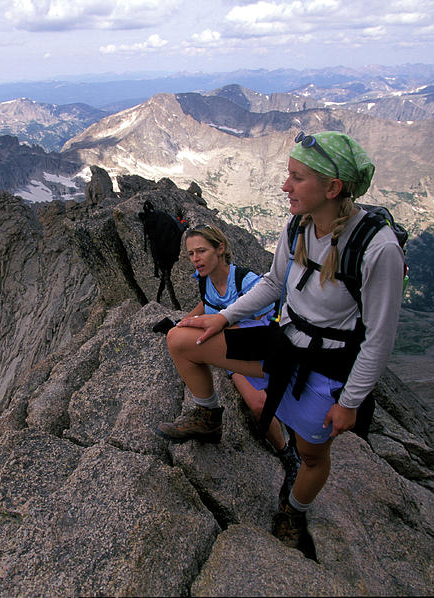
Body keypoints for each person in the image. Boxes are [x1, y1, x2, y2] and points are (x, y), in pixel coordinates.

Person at [158, 131, 404, 549]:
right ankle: (208, 416)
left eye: (296, 178)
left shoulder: (376, 249)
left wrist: (350, 402)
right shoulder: (297, 226)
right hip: (282, 344)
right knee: (182, 341)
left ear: (332, 187)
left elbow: (379, 338)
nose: (285, 186)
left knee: (311, 456)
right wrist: (224, 318)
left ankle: (293, 510)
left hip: (325, 369)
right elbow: (275, 282)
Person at [152, 224, 301, 489]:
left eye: (201, 251)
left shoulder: (246, 281)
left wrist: (226, 321)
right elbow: (207, 304)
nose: (195, 258)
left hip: (262, 348)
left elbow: (265, 314)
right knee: (257, 405)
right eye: (190, 254)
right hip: (233, 352)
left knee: (263, 404)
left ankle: (288, 451)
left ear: (220, 249)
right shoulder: (205, 281)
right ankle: (280, 450)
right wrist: (181, 322)